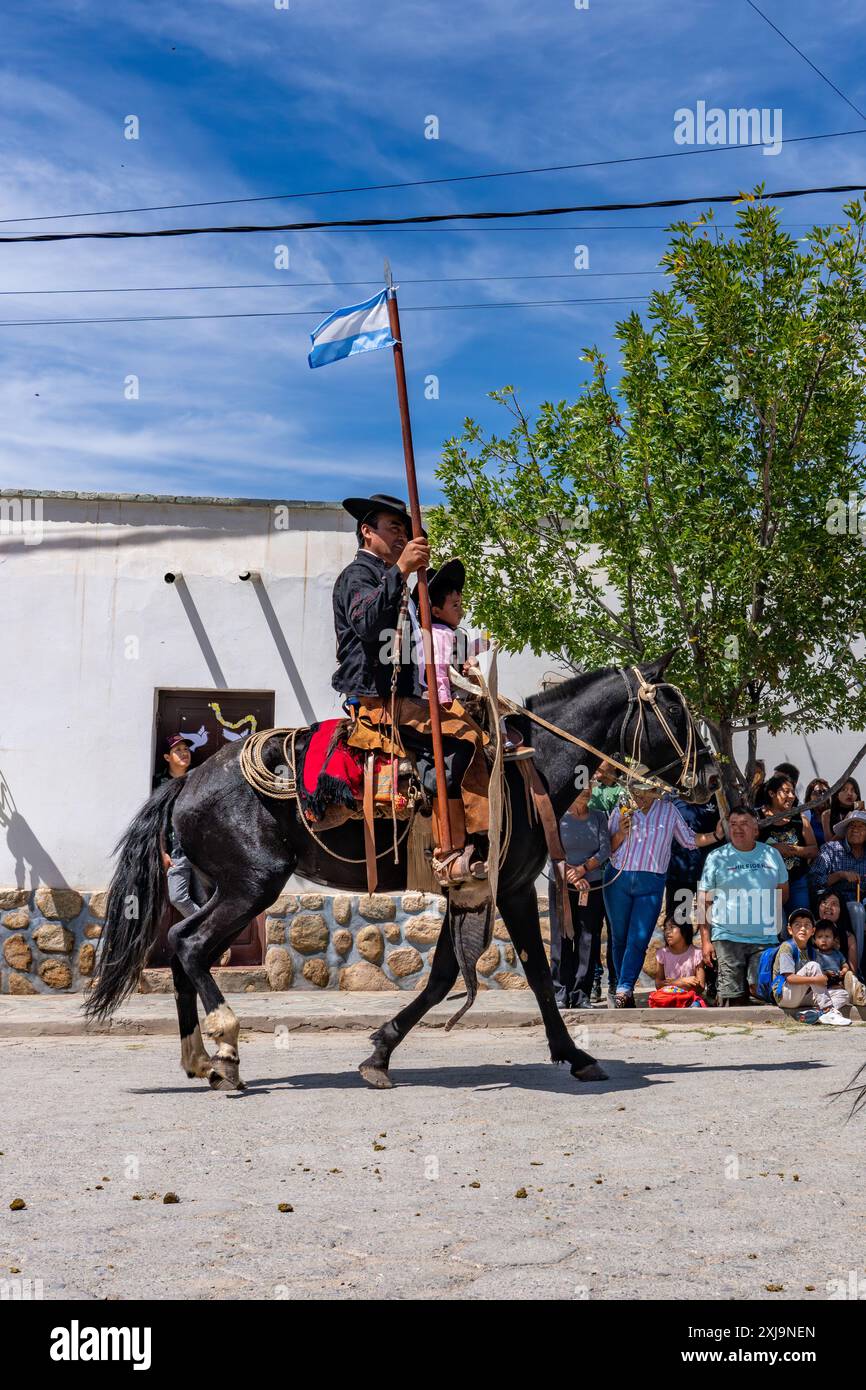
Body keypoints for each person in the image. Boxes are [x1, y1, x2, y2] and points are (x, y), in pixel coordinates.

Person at [331, 493, 490, 886]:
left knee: (476, 731)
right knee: (460, 742)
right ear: (367, 532)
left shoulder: (394, 582)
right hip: (376, 702)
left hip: (403, 698)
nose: (402, 537)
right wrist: (401, 569)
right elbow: (368, 625)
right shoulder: (358, 576)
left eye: (406, 530)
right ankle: (448, 849)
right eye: (394, 528)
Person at [603, 782, 724, 1008]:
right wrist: (620, 831)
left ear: (655, 791)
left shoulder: (668, 810)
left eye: (643, 791)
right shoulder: (622, 806)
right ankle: (624, 988)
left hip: (651, 881)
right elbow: (607, 849)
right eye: (635, 790)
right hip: (618, 879)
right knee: (619, 937)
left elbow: (689, 840)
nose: (638, 796)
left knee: (638, 939)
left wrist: (716, 835)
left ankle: (624, 988)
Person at [697, 805, 788, 1006]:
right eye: (733, 824)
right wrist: (705, 940)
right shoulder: (716, 857)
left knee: (764, 992)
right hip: (727, 938)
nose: (738, 829)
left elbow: (783, 892)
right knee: (732, 1000)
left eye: (744, 824)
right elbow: (704, 901)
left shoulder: (772, 855)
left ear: (756, 829)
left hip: (764, 939)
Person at [547, 785, 610, 1009]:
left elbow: (605, 850)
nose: (586, 791)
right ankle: (560, 992)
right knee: (561, 937)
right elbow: (552, 852)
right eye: (581, 788)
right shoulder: (557, 819)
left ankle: (581, 993)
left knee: (588, 939)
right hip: (561, 885)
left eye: (589, 788)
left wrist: (582, 870)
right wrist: (573, 877)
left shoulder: (599, 817)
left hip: (591, 886)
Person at [771, 908, 852, 1025]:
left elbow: (816, 980)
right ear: (790, 930)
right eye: (797, 925)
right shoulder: (787, 947)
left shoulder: (812, 951)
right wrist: (815, 980)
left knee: (843, 994)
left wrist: (825, 977)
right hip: (785, 995)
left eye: (807, 925)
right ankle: (828, 1011)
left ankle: (817, 1014)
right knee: (812, 966)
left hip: (802, 995)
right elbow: (790, 978)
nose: (802, 928)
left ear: (813, 931)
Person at [588, 762, 624, 1001]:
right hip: (591, 870)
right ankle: (594, 978)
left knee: (614, 931)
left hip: (613, 870)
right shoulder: (592, 789)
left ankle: (614, 980)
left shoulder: (622, 792)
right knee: (591, 929)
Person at [758, 773, 817, 911]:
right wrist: (772, 849)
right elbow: (747, 848)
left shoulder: (800, 819)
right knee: (772, 926)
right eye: (786, 791)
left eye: (793, 792)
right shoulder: (756, 819)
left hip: (797, 882)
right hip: (766, 884)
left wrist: (792, 850)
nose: (792, 796)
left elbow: (814, 850)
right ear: (772, 793)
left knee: (800, 920)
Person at [157, 734, 201, 919]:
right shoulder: (160, 785)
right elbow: (156, 821)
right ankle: (209, 934)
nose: (184, 753)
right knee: (178, 898)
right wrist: (162, 852)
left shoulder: (198, 778)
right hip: (176, 852)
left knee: (208, 899)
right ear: (167, 757)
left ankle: (213, 945)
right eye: (178, 750)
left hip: (201, 850)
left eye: (186, 749)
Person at [811, 809, 866, 950]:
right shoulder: (831, 849)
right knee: (856, 909)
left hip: (863, 900)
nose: (855, 830)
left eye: (861, 826)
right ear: (845, 830)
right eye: (852, 826)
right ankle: (857, 966)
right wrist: (840, 875)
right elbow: (814, 880)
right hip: (834, 902)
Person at [650, 916, 706, 1007]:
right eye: (665, 928)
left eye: (672, 927)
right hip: (669, 997)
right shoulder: (662, 954)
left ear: (684, 929)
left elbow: (701, 986)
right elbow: (658, 984)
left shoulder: (696, 953)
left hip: (688, 998)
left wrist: (671, 983)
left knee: (696, 1005)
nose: (667, 932)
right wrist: (681, 981)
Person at [815, 887, 858, 974]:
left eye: (834, 904)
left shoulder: (848, 937)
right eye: (824, 902)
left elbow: (853, 972)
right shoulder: (809, 930)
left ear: (841, 910)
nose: (828, 907)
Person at [825, 778, 863, 844]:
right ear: (837, 794)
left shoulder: (862, 812)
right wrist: (845, 823)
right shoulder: (827, 814)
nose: (849, 793)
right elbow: (828, 843)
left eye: (853, 790)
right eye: (844, 789)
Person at [802, 777, 831, 850]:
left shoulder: (835, 815)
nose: (822, 795)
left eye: (825, 791)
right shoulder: (806, 816)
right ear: (809, 798)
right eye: (817, 792)